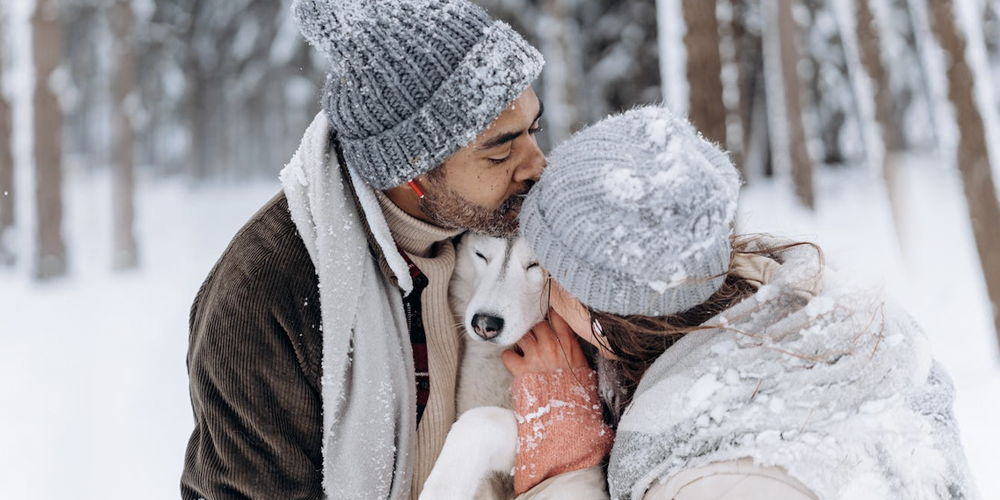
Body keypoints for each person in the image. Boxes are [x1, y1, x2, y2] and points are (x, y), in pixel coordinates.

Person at [504, 106, 980, 499]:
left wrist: (564, 466)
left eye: (545, 270)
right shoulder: (841, 327)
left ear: (605, 307)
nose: (541, 294)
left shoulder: (725, 481)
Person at [180, 0, 548, 498]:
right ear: (413, 164)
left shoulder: (512, 224)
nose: (537, 165)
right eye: (501, 149)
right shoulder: (264, 296)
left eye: (535, 129)